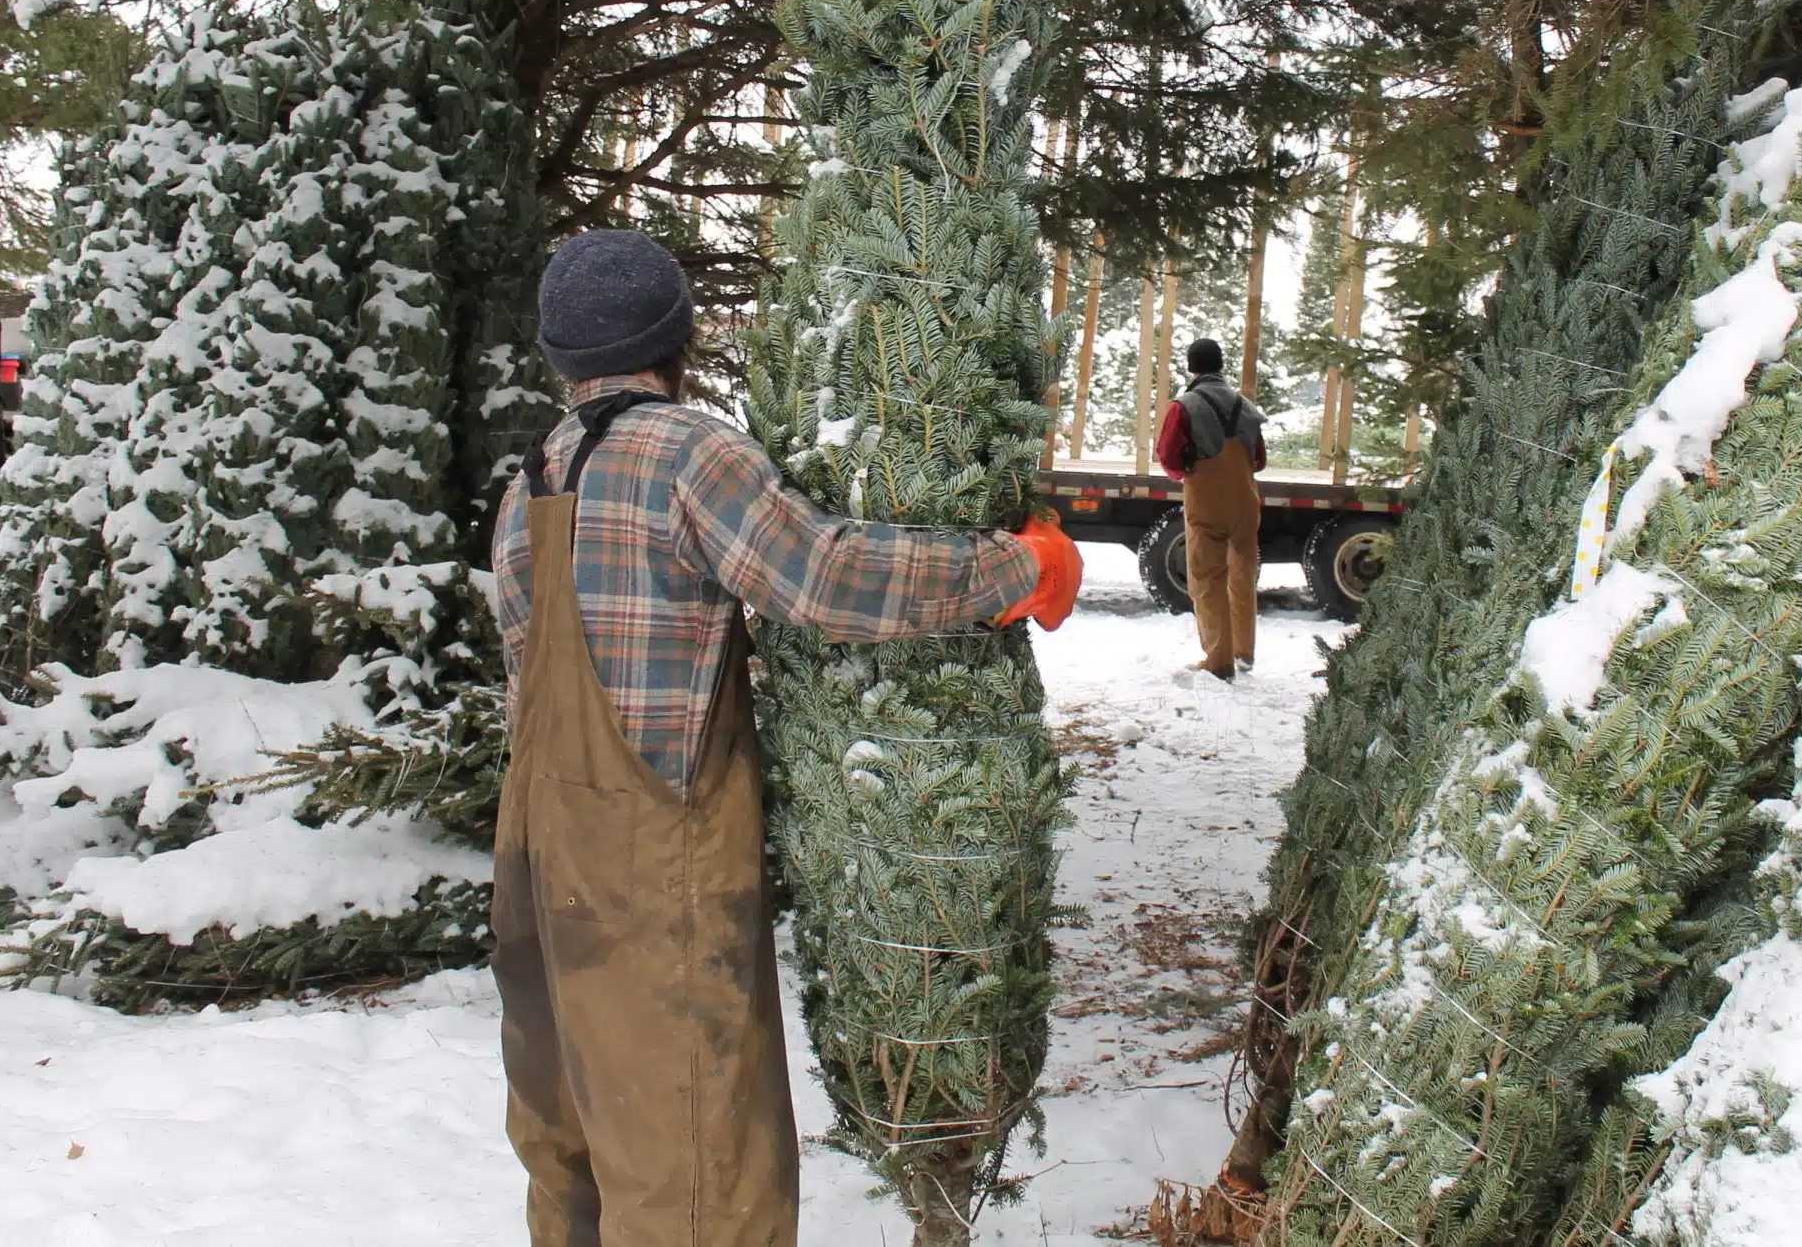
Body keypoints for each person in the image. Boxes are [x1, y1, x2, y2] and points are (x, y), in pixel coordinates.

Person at [487, 229, 1082, 1247]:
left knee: (580, 1139)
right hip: (649, 862)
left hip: (543, 860)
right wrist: (1014, 570)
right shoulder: (684, 450)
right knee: (699, 1167)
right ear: (671, 344)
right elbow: (824, 575)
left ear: (561, 359)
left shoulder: (529, 481)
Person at [1153, 336, 1267, 682]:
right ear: (1219, 366)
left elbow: (1168, 456)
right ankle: (1244, 653)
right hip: (1246, 504)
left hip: (1207, 503)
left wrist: (1187, 472)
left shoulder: (1184, 406)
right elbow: (1259, 461)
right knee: (1243, 575)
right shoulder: (1244, 406)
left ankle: (1219, 660)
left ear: (1192, 368)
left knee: (1207, 578)